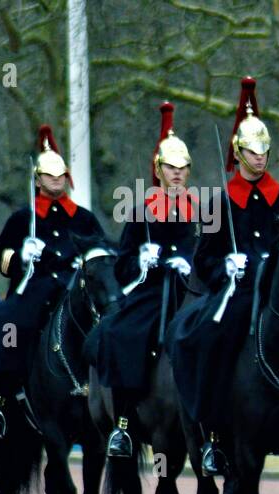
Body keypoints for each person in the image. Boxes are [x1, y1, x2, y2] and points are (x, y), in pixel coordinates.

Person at [166, 77, 279, 475]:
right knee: (208, 337)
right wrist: (225, 267)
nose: (259, 158)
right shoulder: (219, 201)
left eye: (264, 151)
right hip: (236, 291)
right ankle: (212, 432)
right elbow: (203, 260)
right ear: (238, 153)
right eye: (252, 152)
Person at [0, 125, 106, 438]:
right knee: (8, 324)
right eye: (50, 177)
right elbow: (1, 253)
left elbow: (100, 250)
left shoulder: (83, 217)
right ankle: (2, 399)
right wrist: (22, 255)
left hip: (72, 285)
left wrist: (87, 260)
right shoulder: (24, 218)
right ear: (38, 180)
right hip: (35, 287)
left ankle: (119, 406)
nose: (56, 181)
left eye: (61, 176)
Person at [89, 102, 198, 459]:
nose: (178, 173)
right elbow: (120, 267)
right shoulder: (141, 213)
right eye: (171, 167)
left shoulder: (203, 211)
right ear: (159, 170)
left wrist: (193, 262)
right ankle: (122, 423)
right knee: (121, 333)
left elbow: (213, 254)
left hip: (192, 290)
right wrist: (140, 260)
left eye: (183, 167)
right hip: (152, 291)